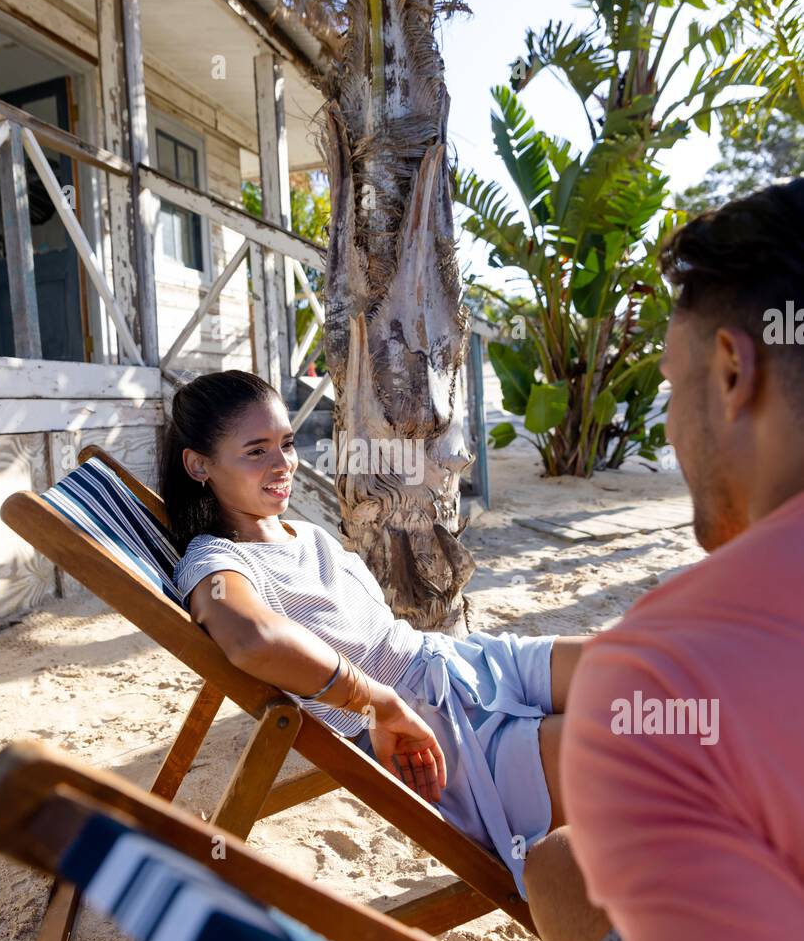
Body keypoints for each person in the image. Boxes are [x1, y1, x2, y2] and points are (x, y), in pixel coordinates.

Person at [546, 179, 804, 941]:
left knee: (557, 862)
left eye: (669, 383)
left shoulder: (664, 672)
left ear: (733, 372)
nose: (667, 426)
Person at [160, 369, 584, 902]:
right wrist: (377, 704)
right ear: (199, 464)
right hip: (434, 732)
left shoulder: (301, 531)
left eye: (287, 444)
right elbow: (253, 640)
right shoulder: (218, 561)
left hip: (460, 664)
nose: (283, 464)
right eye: (256, 451)